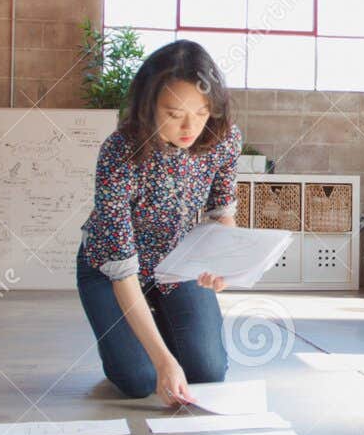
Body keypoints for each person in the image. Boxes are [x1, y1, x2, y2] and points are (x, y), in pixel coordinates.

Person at [76, 40, 242, 406]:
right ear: (147, 105)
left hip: (177, 264)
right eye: (173, 113)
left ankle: (165, 328)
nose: (190, 127)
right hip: (110, 270)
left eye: (202, 112)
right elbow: (121, 269)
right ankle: (136, 343)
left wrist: (221, 262)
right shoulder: (119, 152)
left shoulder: (224, 139)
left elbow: (222, 212)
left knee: (208, 372)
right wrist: (164, 360)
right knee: (141, 379)